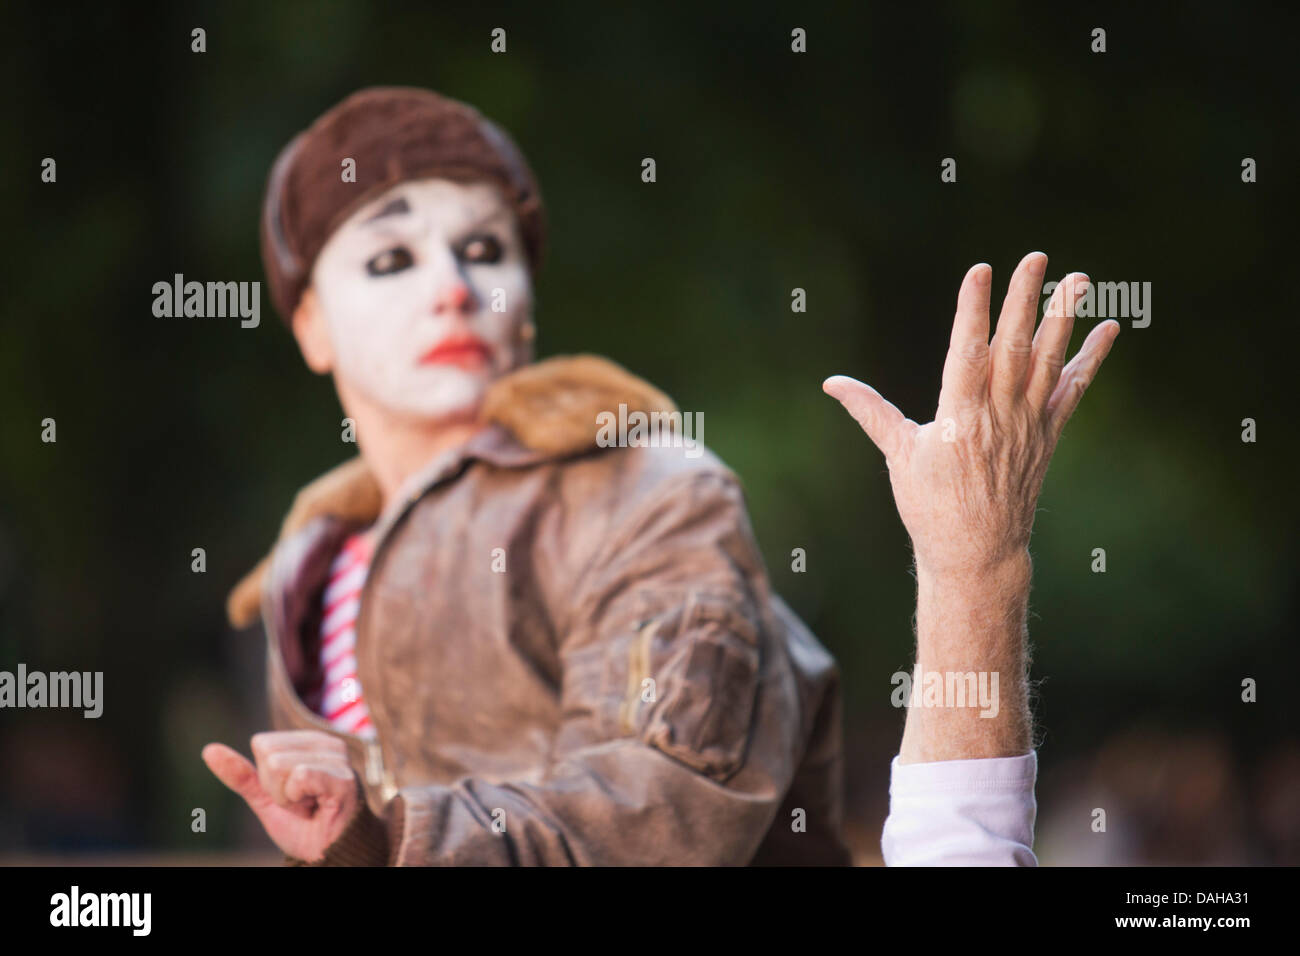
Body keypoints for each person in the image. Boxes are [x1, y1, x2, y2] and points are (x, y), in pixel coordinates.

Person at [202, 86, 1118, 867]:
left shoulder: (650, 492)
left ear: (525, 300)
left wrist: (393, 832)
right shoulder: (308, 565)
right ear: (312, 325)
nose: (452, 286)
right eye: (390, 258)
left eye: (484, 251)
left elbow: (668, 804)